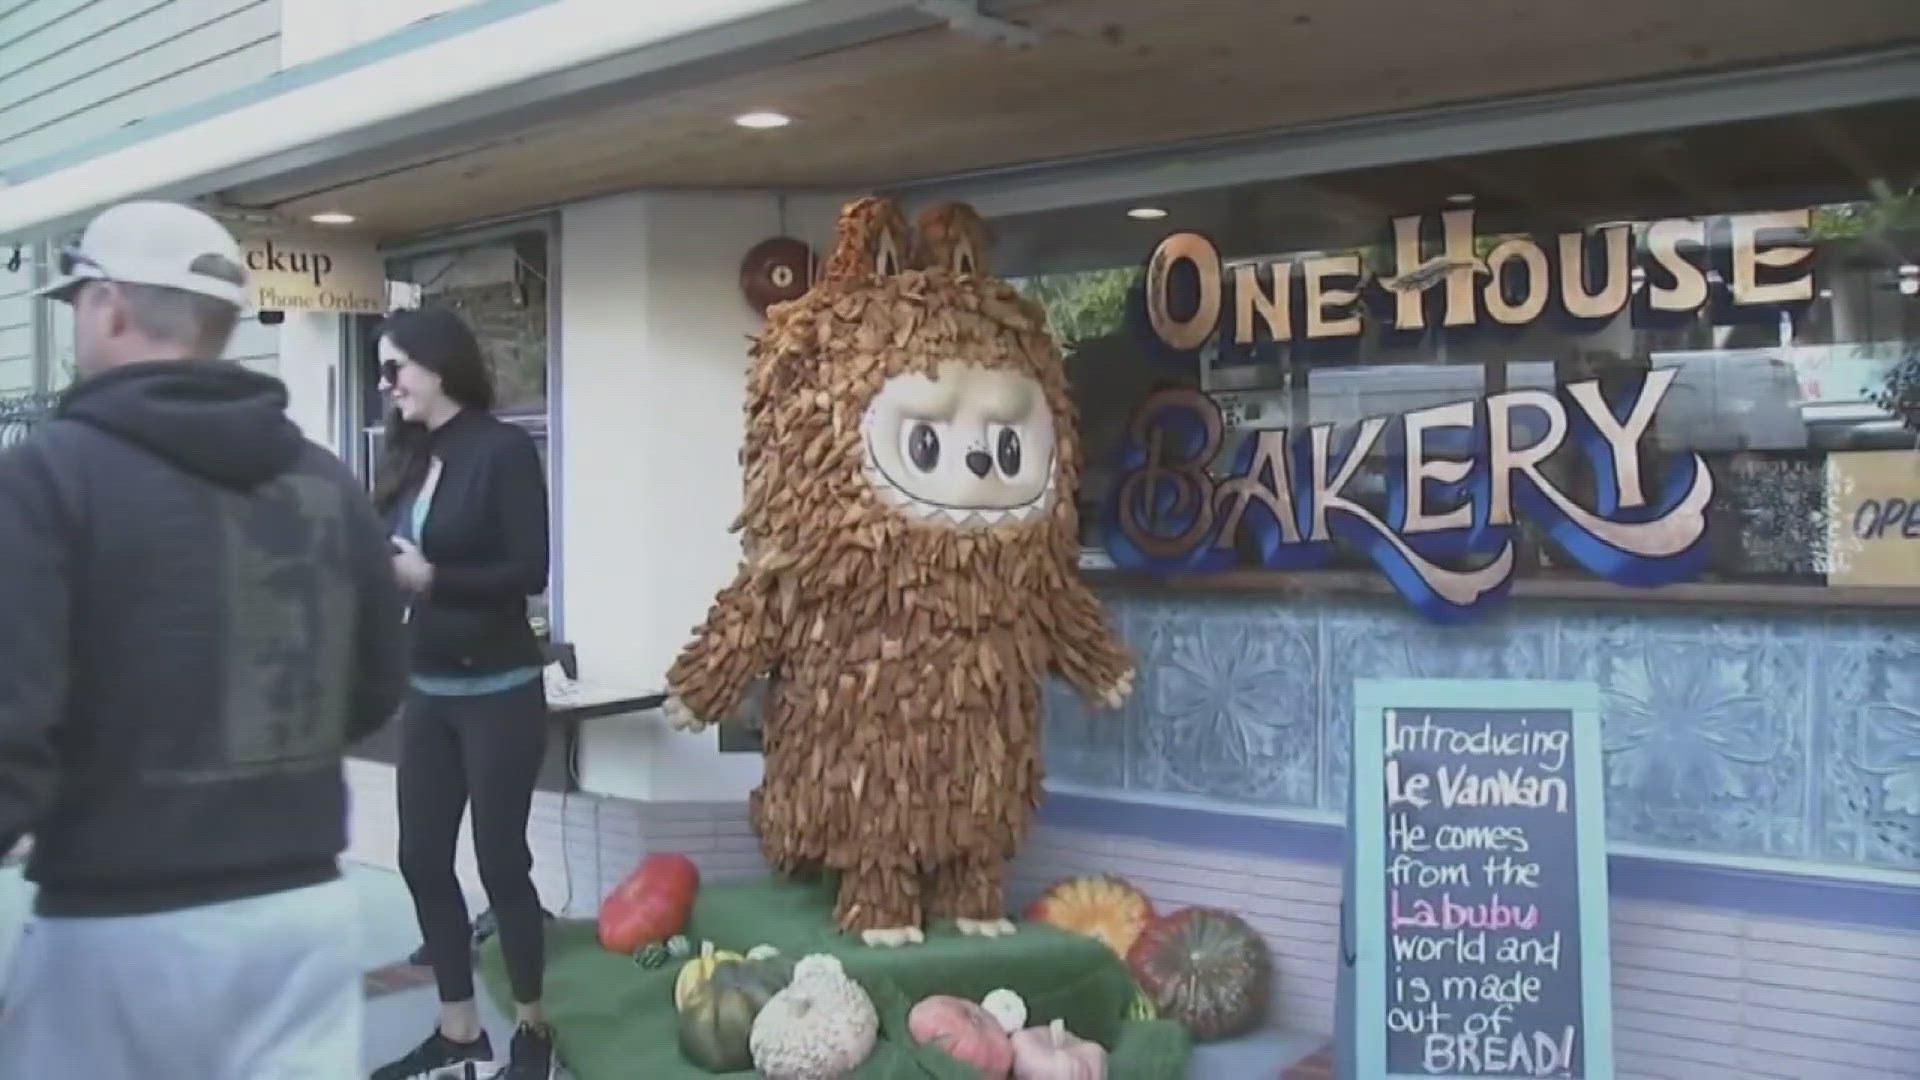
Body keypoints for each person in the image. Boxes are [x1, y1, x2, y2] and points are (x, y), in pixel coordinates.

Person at [0, 201, 408, 1076]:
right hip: (301, 914)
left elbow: (10, 732)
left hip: (114, 927)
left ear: (108, 303)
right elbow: (374, 689)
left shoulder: (49, 478)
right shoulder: (326, 483)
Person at [369, 306, 556, 1080]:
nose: (387, 387)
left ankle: (534, 1028)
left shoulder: (502, 450)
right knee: (420, 857)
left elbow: (529, 571)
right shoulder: (410, 454)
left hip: (500, 689)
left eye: (394, 369)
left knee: (501, 862)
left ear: (437, 365)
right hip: (430, 690)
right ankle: (458, 1029)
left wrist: (431, 579)